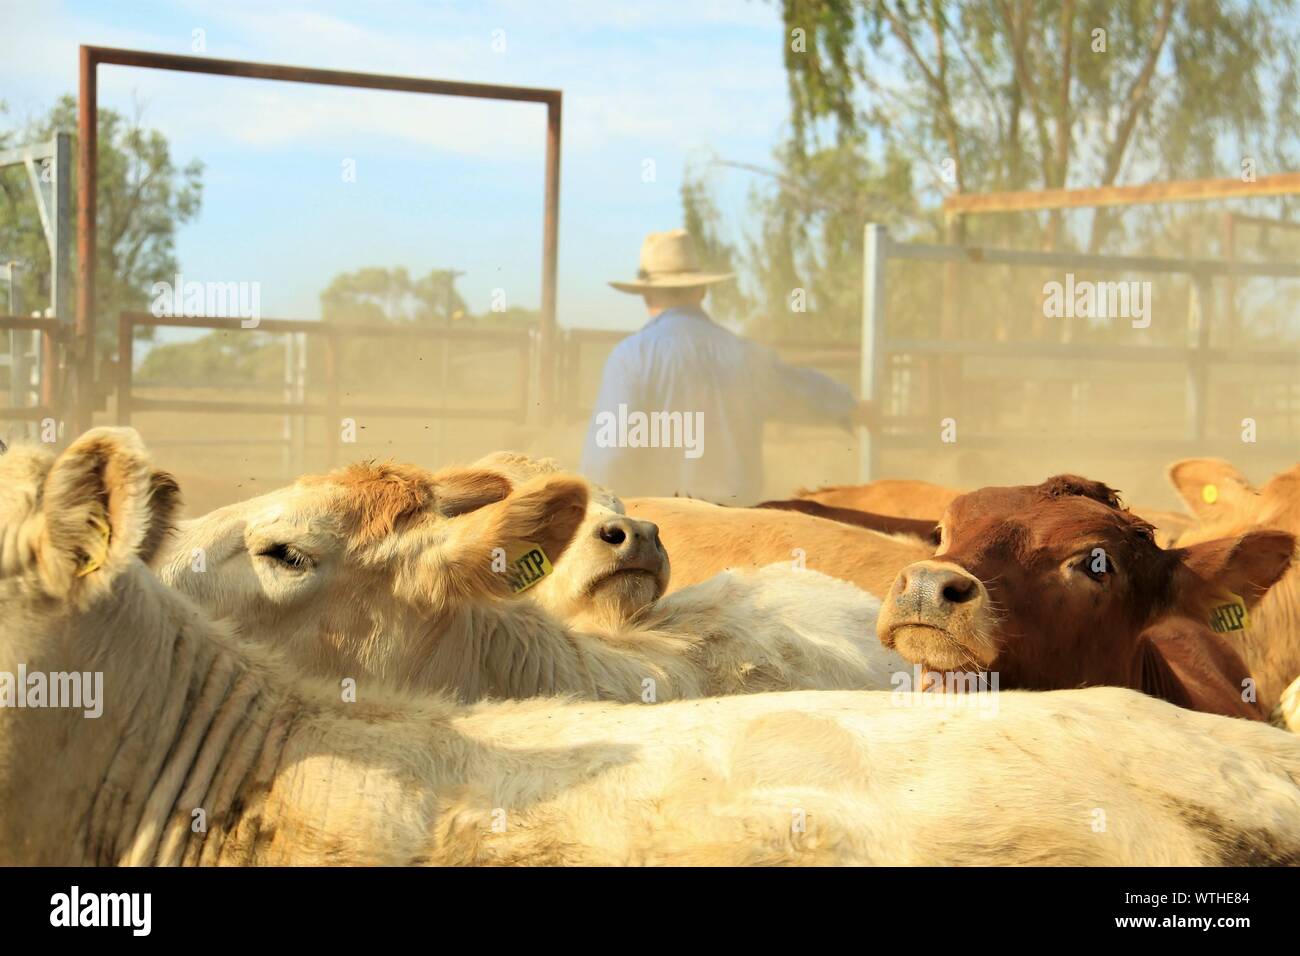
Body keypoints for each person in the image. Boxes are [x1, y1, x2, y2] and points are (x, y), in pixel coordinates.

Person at [580, 229, 867, 502]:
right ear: (703, 290)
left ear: (647, 294)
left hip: (661, 525)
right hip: (737, 525)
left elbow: (607, 460)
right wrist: (853, 406)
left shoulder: (630, 357)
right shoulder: (747, 356)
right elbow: (802, 392)